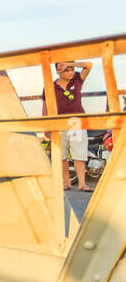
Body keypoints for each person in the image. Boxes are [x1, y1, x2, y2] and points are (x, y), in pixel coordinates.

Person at [47, 61, 92, 191]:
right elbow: (46, 105)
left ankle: (82, 184)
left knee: (79, 153)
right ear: (58, 71)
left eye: (72, 69)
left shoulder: (77, 79)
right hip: (59, 122)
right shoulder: (50, 86)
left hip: (76, 122)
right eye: (67, 70)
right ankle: (66, 183)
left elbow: (88, 65)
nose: (71, 72)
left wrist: (70, 63)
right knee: (61, 155)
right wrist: (46, 126)